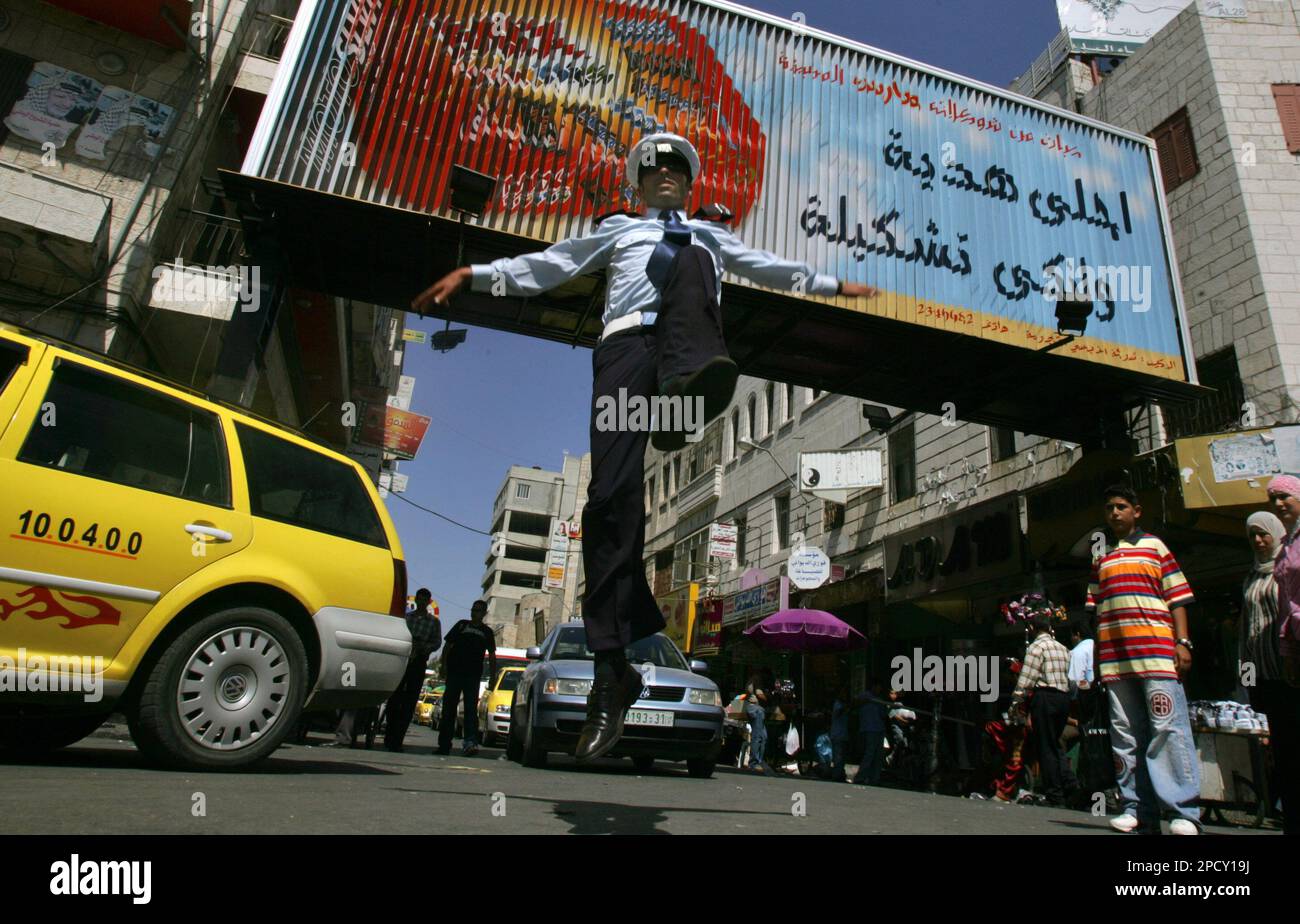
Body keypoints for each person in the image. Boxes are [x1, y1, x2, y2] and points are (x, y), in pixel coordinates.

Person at [414, 133, 879, 763]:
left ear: (690, 182)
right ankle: (614, 671)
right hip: (627, 357)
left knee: (694, 253)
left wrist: (832, 286)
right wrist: (477, 275)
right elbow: (551, 264)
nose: (665, 173)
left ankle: (686, 390)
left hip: (686, 350)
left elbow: (771, 267)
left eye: (677, 168)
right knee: (610, 502)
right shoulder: (619, 231)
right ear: (637, 183)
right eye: (653, 167)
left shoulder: (706, 234)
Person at [1088, 485, 1200, 834]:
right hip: (1115, 661)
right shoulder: (1101, 557)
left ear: (1137, 511)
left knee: (1167, 729)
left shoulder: (1156, 548)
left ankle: (1183, 812)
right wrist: (1097, 656)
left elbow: (1177, 599)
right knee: (1124, 733)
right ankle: (1136, 807)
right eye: (1109, 508)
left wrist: (1182, 643)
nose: (1115, 513)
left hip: (1157, 655)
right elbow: (1096, 610)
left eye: (1121, 507)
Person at [1259, 482, 1300, 834]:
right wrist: (1287, 652)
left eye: (1285, 496)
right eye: (1273, 499)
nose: (1279, 503)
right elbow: (1286, 606)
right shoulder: (1285, 548)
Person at [1009, 609, 1075, 805]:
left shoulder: (1036, 648)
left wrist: (1016, 701)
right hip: (1063, 698)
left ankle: (1055, 794)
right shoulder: (1063, 649)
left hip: (1045, 697)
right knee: (1054, 743)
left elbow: (1026, 679)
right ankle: (1069, 784)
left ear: (1032, 628)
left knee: (1045, 746)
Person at [383, 588, 441, 752]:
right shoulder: (407, 618)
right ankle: (389, 735)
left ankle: (398, 739)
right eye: (420, 599)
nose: (422, 602)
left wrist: (424, 648)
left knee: (409, 702)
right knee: (395, 699)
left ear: (429, 602)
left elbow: (436, 642)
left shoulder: (433, 622)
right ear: (416, 600)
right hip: (402, 660)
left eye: (425, 600)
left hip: (419, 662)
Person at [438, 600, 497, 756]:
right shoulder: (461, 626)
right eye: (473, 610)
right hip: (455, 673)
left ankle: (470, 743)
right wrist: (443, 666)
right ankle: (444, 744)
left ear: (484, 613)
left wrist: (492, 676)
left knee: (471, 711)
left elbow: (491, 655)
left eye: (478, 610)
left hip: (472, 676)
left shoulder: (487, 632)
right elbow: (448, 645)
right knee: (449, 709)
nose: (474, 613)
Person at [853, 681, 889, 785]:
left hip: (879, 729)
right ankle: (860, 777)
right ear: (873, 686)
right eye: (877, 687)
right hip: (868, 729)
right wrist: (866, 701)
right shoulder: (865, 696)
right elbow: (855, 704)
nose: (879, 690)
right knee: (869, 753)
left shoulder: (880, 700)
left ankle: (874, 778)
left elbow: (883, 715)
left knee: (878, 755)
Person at [743, 669, 772, 775]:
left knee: (763, 736)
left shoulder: (752, 680)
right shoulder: (757, 680)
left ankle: (759, 760)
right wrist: (769, 698)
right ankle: (754, 762)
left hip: (753, 709)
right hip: (756, 709)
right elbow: (759, 694)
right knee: (758, 736)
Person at [829, 685, 850, 782]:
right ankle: (837, 775)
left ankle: (840, 774)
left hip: (843, 734)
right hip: (837, 734)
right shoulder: (837, 704)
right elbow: (837, 712)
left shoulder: (843, 705)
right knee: (838, 757)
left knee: (842, 757)